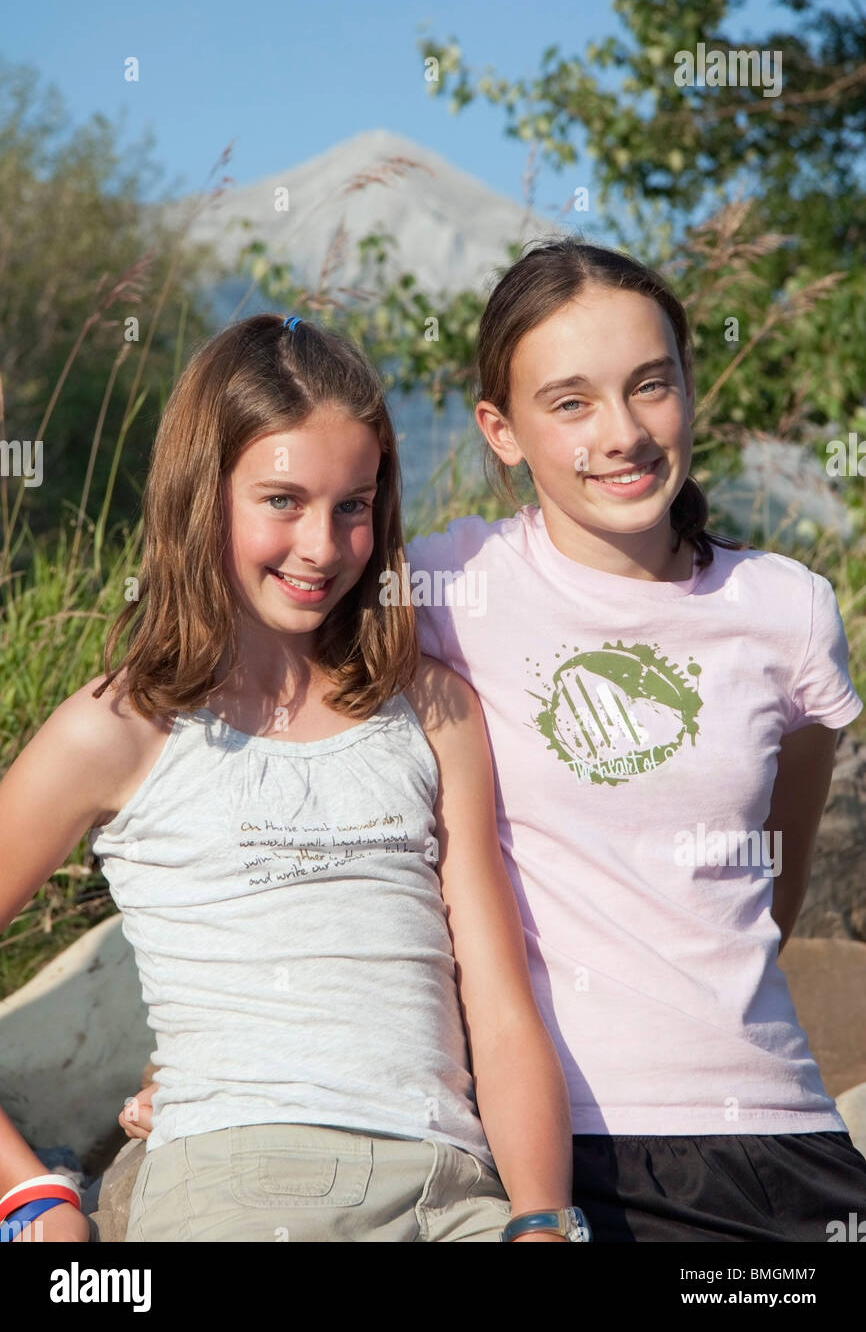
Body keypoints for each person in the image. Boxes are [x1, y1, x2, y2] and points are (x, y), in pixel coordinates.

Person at [0, 313, 577, 1244]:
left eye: (354, 505)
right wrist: (31, 1192)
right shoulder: (120, 727)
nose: (322, 545)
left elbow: (499, 1005)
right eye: (282, 500)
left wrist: (543, 1217)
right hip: (241, 1180)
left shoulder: (435, 713)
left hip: (456, 1185)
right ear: (203, 495)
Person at [397, 237, 866, 1242]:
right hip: (557, 1146)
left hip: (777, 1133)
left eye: (648, 386)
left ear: (687, 390)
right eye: (568, 403)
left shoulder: (784, 609)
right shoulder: (447, 585)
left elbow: (771, 877)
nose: (621, 433)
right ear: (501, 430)